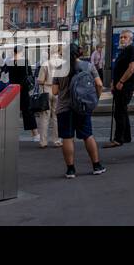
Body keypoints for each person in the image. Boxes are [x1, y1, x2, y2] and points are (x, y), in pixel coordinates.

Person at [54, 44, 105, 179]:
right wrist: (95, 100)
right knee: (88, 135)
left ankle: (71, 170)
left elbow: (54, 91)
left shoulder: (59, 67)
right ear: (79, 53)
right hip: (83, 106)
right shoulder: (88, 66)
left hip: (64, 108)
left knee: (67, 137)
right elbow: (99, 84)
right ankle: (96, 166)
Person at [106, 29, 134, 148]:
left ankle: (118, 139)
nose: (122, 39)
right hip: (119, 86)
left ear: (130, 39)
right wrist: (113, 82)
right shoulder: (123, 51)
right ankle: (126, 136)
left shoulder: (132, 49)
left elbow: (132, 68)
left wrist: (121, 82)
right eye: (121, 37)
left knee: (119, 112)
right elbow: (118, 69)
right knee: (122, 111)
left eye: (125, 37)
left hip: (125, 86)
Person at [34, 56, 59, 148]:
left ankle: (43, 142)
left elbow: (40, 80)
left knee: (45, 117)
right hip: (57, 91)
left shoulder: (45, 64)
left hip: (46, 91)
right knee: (56, 117)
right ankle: (56, 141)